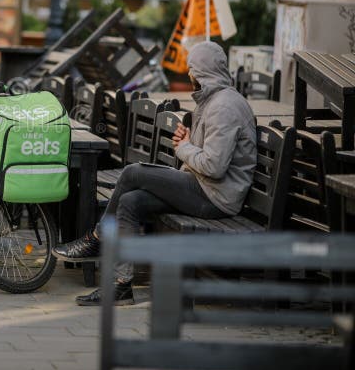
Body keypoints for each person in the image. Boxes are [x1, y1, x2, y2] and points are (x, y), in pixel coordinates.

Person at [52, 41, 257, 306]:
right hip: (203, 186)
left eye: (191, 68)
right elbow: (207, 154)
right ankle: (120, 286)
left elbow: (214, 167)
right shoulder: (211, 101)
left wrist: (183, 148)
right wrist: (188, 142)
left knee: (133, 173)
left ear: (200, 71)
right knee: (129, 201)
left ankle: (97, 237)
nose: (188, 74)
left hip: (215, 196)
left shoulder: (224, 107)